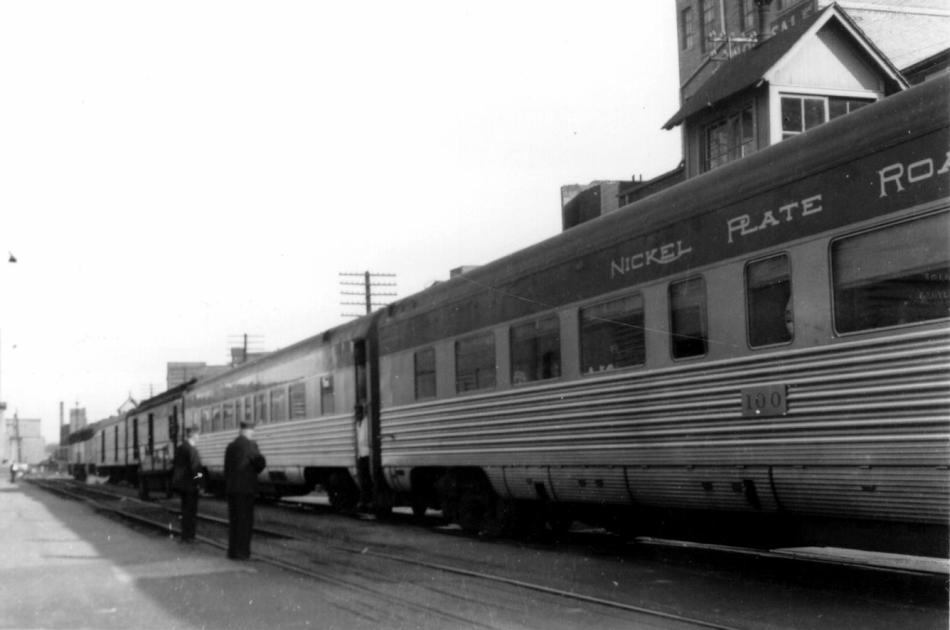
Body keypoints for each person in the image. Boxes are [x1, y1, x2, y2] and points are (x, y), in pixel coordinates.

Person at [224, 421, 266, 560]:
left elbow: (226, 469)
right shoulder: (251, 445)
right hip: (246, 490)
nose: (253, 433)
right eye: (252, 431)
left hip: (232, 490)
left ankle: (233, 552)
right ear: (248, 431)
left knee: (234, 521)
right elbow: (260, 464)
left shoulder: (230, 446)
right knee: (245, 522)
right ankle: (242, 553)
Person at [171, 426, 203, 542]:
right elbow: (196, 470)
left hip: (181, 484)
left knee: (184, 510)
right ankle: (190, 536)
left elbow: (175, 464)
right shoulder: (192, 450)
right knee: (191, 511)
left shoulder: (180, 448)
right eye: (198, 435)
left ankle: (185, 535)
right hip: (191, 486)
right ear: (193, 435)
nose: (199, 437)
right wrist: (199, 482)